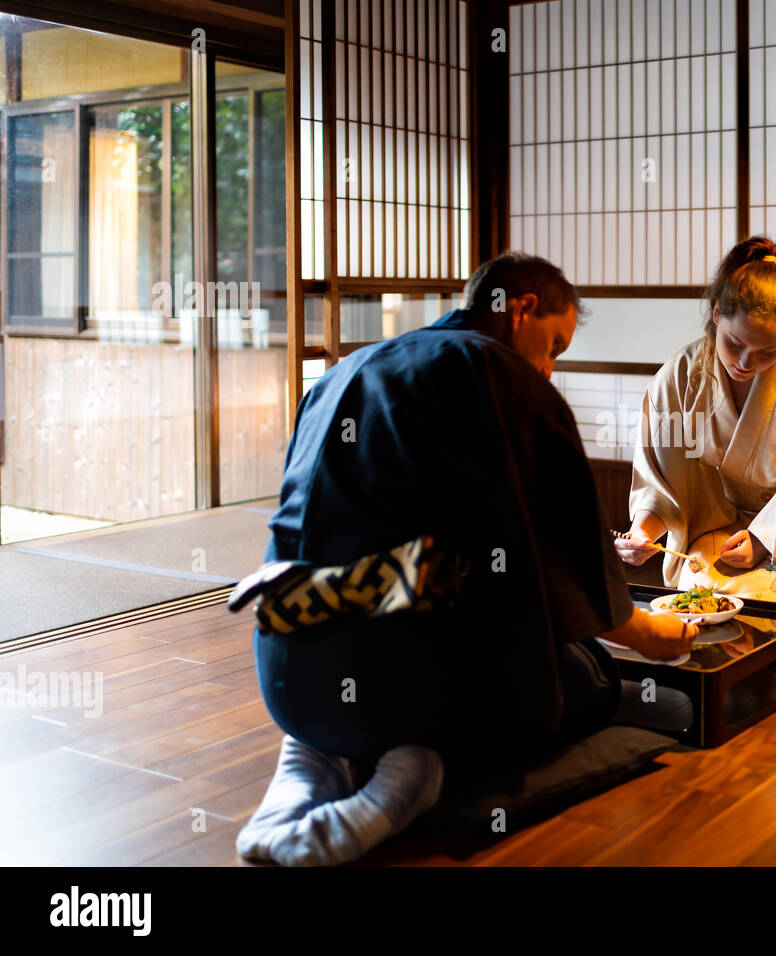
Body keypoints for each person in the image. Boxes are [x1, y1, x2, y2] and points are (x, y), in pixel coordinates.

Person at [236, 251, 697, 866]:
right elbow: (564, 560)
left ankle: (315, 754)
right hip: (404, 695)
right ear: (522, 309)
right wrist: (651, 635)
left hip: (287, 674)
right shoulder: (499, 375)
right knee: (626, 689)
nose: (550, 369)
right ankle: (412, 772)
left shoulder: (348, 369)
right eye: (554, 345)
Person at [614, 236, 776, 626]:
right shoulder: (679, 378)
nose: (744, 362)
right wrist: (643, 533)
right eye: (734, 343)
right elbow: (665, 479)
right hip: (724, 527)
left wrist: (763, 541)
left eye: (767, 351)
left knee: (752, 605)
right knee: (700, 588)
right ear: (717, 311)